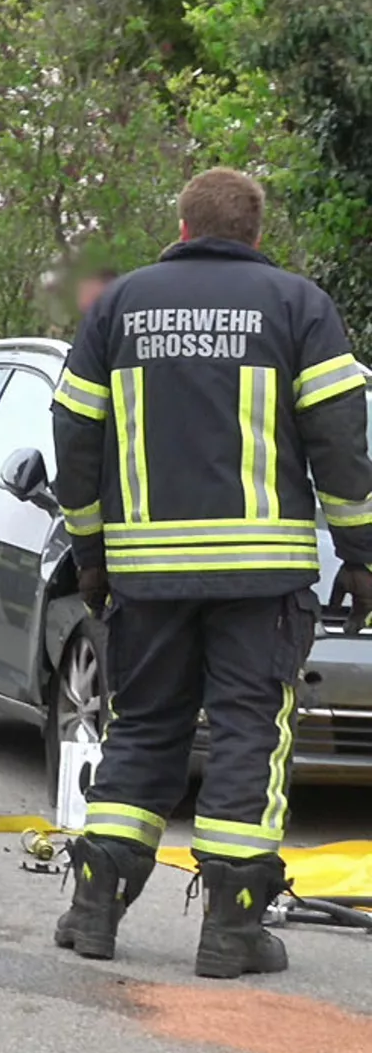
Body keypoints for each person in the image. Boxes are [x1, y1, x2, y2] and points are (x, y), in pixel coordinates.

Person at [50, 167, 372, 979]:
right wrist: (363, 555)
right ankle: (231, 931)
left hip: (147, 577)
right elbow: (339, 444)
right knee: (248, 735)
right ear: (256, 233)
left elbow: (74, 435)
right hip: (261, 581)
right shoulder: (299, 307)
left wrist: (91, 552)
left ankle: (94, 907)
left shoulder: (117, 308)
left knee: (144, 728)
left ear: (184, 227)